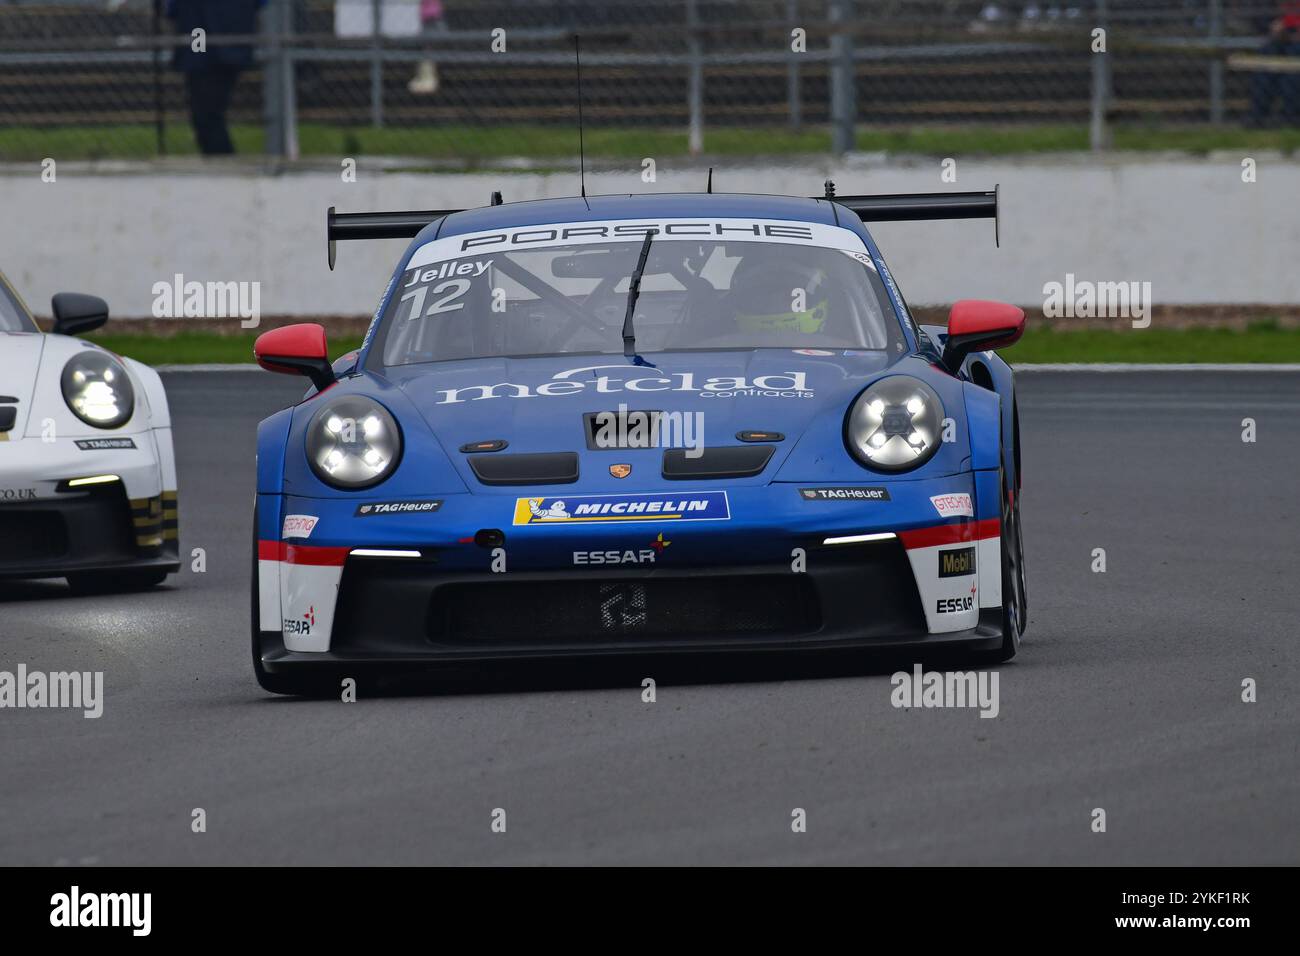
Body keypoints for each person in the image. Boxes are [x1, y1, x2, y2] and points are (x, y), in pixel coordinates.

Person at [168, 0, 265, 155]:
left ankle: (223, 162)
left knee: (207, 116)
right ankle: (220, 161)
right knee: (205, 114)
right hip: (205, 43)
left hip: (218, 46)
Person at [1249, 3, 1300, 126]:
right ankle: (1258, 116)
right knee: (1266, 58)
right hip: (1282, 36)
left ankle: (1291, 116)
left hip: (1295, 38)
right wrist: (1273, 26)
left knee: (1292, 70)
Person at [409, 0, 448, 95]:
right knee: (423, 46)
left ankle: (428, 77)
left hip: (430, 18)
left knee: (428, 43)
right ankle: (425, 75)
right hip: (415, 18)